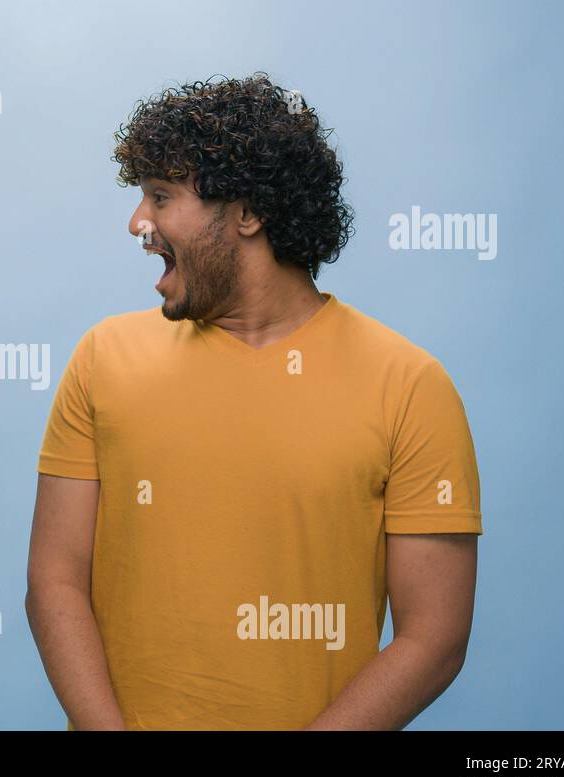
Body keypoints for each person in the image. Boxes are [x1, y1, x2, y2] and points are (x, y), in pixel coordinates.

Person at [27, 73, 483, 730]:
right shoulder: (103, 357)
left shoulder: (410, 386)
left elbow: (433, 638)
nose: (138, 222)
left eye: (161, 196)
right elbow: (54, 578)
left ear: (247, 213)